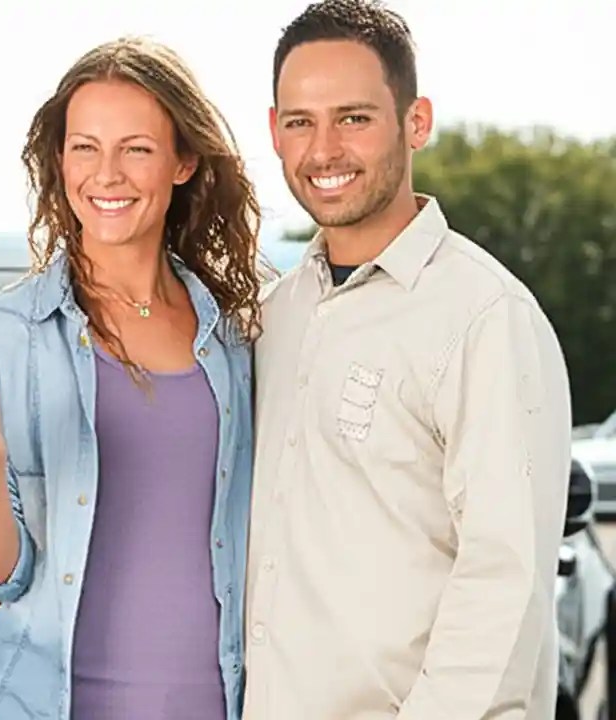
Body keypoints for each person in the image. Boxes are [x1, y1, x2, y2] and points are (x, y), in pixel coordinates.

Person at [244, 2, 572, 718]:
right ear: (274, 132)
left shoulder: (486, 319)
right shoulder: (273, 318)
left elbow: (502, 584)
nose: (323, 149)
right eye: (300, 121)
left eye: (354, 118)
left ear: (415, 121)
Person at [0, 36, 266, 720]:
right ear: (59, 162)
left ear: (183, 162)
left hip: (214, 704)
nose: (106, 174)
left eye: (136, 149)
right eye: (84, 147)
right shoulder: (6, 331)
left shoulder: (236, 335)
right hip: (47, 705)